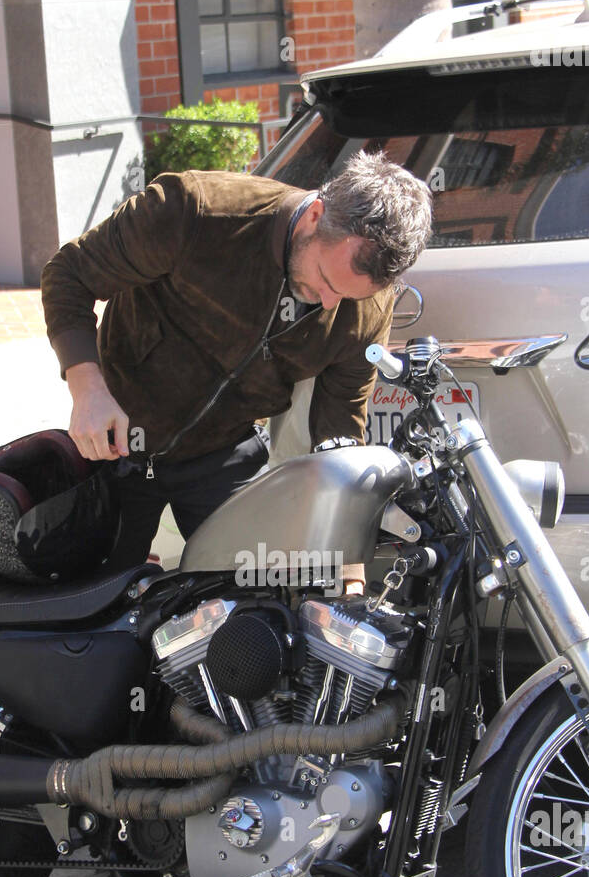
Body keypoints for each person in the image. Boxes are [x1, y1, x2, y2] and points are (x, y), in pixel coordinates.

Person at [40, 149, 433, 581]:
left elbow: (340, 430)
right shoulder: (196, 210)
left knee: (249, 605)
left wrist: (349, 564)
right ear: (315, 215)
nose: (329, 303)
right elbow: (68, 274)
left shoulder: (368, 308)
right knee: (97, 606)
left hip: (225, 455)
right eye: (324, 277)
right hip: (118, 445)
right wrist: (87, 389)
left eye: (348, 295)